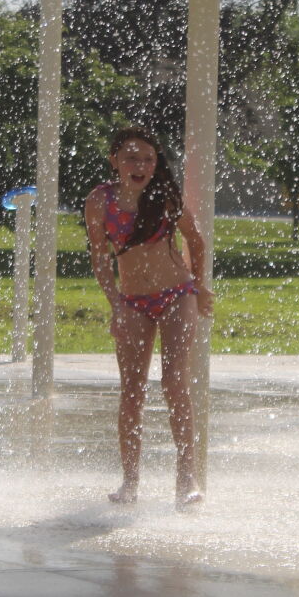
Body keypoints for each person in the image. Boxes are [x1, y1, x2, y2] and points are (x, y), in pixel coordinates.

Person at [84, 127, 213, 508]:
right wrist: (116, 304)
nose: (140, 165)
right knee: (132, 392)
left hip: (177, 295)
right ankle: (130, 482)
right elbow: (99, 257)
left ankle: (186, 478)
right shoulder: (100, 201)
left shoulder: (165, 197)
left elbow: (197, 240)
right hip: (133, 301)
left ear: (156, 164)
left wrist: (201, 286)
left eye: (148, 159)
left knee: (174, 382)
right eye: (131, 157)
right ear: (115, 161)